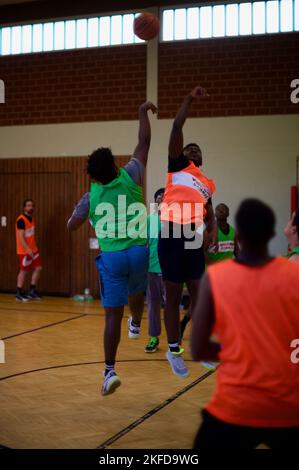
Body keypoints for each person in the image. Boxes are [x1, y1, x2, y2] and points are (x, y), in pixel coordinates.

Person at [191, 198, 299, 450]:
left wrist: (240, 353)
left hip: (236, 405)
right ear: (272, 233)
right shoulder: (294, 274)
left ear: (237, 234)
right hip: (288, 406)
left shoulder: (215, 278)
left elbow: (198, 349)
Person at [67, 101, 157, 396]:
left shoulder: (90, 196)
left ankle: (109, 372)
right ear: (116, 164)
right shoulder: (132, 173)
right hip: (140, 252)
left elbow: (72, 225)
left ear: (93, 177)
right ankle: (136, 323)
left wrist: (81, 214)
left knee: (110, 317)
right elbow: (144, 141)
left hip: (113, 258)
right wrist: (141, 111)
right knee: (137, 291)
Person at [158, 86, 216, 378]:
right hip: (170, 233)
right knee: (172, 292)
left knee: (198, 294)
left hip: (194, 236)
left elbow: (210, 211)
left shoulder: (206, 183)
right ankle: (173, 349)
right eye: (189, 148)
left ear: (202, 159)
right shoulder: (176, 164)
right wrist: (189, 98)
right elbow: (177, 125)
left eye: (198, 150)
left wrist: (213, 230)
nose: (193, 150)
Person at [145, 188, 165, 353]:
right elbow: (143, 245)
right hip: (151, 269)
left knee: (172, 305)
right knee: (152, 305)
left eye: (165, 198)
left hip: (171, 270)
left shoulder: (177, 222)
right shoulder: (149, 220)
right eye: (159, 198)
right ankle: (153, 337)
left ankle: (174, 339)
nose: (162, 201)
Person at [15, 199, 42, 302]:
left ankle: (31, 290)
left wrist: (32, 248)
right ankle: (18, 292)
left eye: (32, 205)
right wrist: (27, 248)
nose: (31, 207)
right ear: (24, 208)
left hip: (33, 249)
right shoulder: (21, 220)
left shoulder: (31, 218)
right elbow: (20, 237)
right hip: (24, 250)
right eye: (28, 206)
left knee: (38, 268)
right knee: (23, 270)